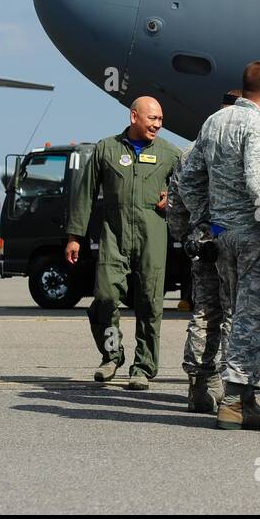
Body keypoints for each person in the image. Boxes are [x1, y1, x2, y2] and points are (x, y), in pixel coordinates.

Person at [180, 62, 260, 430]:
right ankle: (236, 402)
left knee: (234, 315)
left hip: (222, 236)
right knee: (255, 318)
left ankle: (244, 397)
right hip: (254, 236)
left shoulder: (213, 123)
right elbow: (259, 184)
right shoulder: (259, 127)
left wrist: (206, 220)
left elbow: (188, 179)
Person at [66, 96, 183, 390]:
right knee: (105, 297)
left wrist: (174, 197)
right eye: (152, 119)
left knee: (150, 303)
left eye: (160, 120)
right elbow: (85, 194)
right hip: (114, 236)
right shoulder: (106, 149)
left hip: (151, 237)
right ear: (134, 117)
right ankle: (111, 354)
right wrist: (74, 237)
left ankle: (143, 367)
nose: (157, 125)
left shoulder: (170, 154)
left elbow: (189, 186)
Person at [169, 90, 239, 413]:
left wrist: (188, 238)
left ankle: (200, 383)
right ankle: (230, 387)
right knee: (233, 312)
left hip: (203, 241)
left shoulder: (191, 152)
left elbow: (175, 203)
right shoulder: (244, 145)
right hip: (235, 240)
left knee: (206, 310)